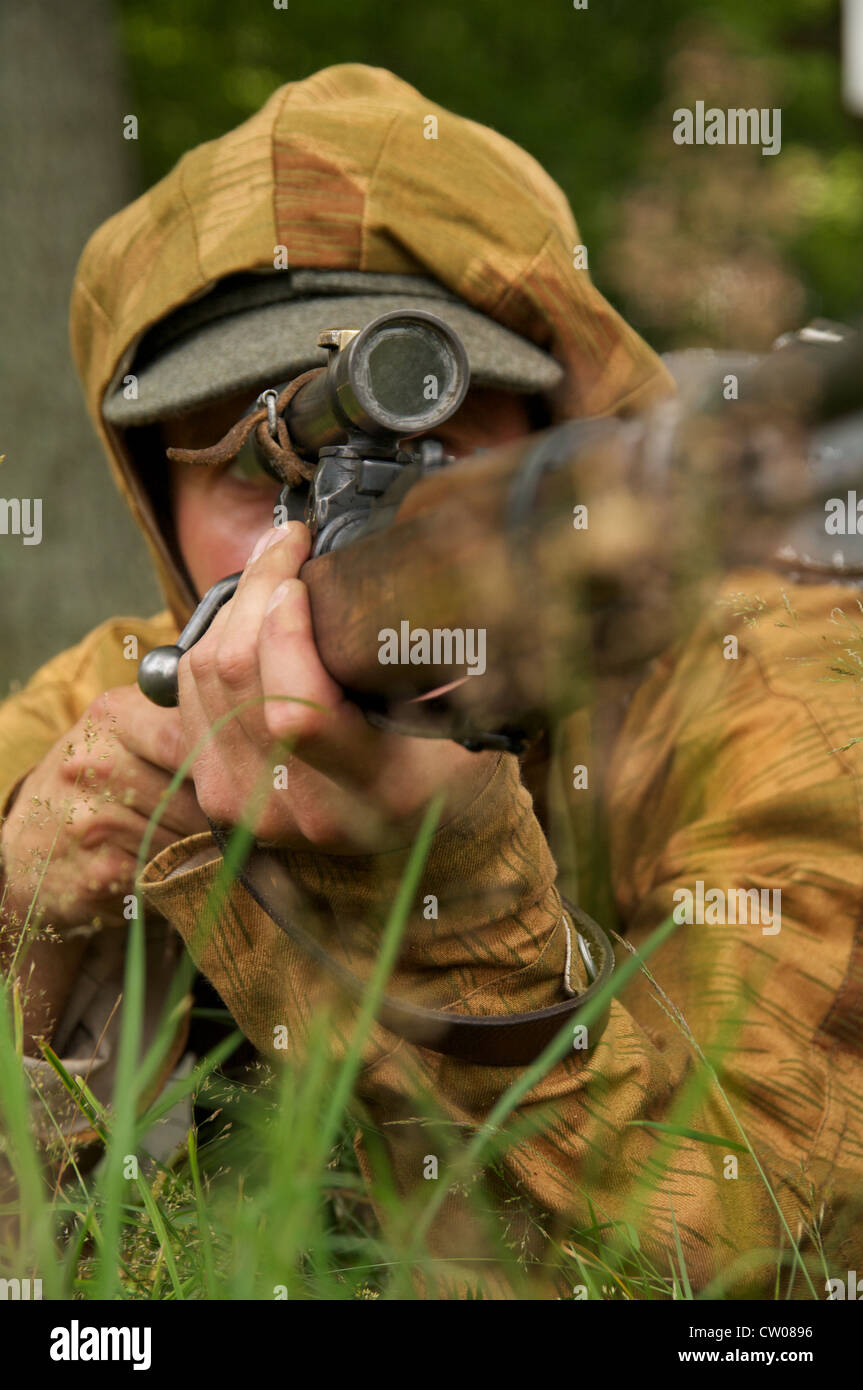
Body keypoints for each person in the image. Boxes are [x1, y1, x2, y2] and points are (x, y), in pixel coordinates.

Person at [2, 63, 861, 1299]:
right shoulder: (112, 701)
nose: (315, 537)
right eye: (257, 467)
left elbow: (765, 1257)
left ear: (550, 431)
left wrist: (443, 905)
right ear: (156, 499)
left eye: (433, 451)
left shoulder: (766, 688)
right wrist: (25, 913)